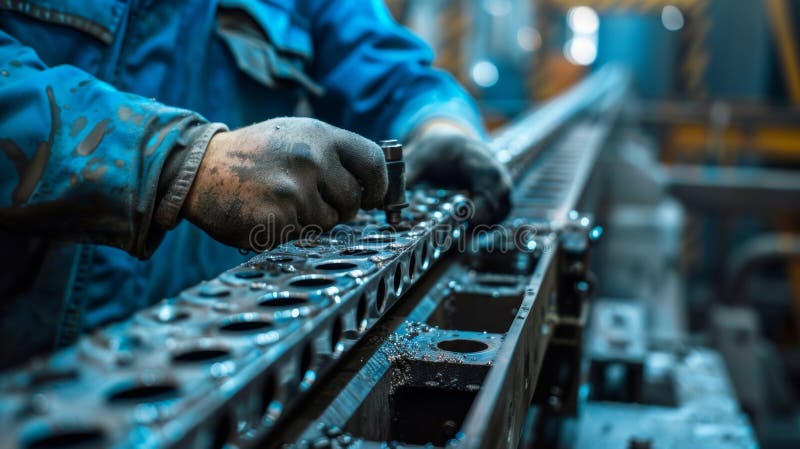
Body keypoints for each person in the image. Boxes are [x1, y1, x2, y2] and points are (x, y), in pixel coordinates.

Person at [0, 0, 511, 367]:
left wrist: (437, 121)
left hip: (220, 352)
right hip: (27, 369)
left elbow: (382, 65)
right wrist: (179, 162)